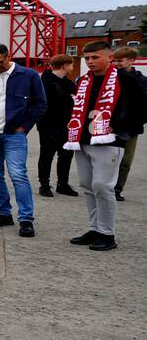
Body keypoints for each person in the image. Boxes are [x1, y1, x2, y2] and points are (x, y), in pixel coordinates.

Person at [66, 41, 147, 250]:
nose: (90, 62)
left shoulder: (126, 79)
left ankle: (107, 234)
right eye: (87, 58)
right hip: (82, 139)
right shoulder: (83, 80)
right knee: (87, 186)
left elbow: (142, 108)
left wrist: (119, 126)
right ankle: (95, 229)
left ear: (109, 57)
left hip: (109, 140)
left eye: (95, 57)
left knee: (102, 186)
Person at [0, 43, 46, 237]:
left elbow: (40, 104)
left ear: (8, 56)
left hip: (14, 133)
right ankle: (3, 213)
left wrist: (25, 127)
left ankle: (26, 218)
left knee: (18, 174)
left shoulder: (28, 76)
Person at [37, 54, 78, 199]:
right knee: (47, 156)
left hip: (67, 126)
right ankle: (44, 185)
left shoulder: (69, 83)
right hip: (48, 125)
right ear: (64, 65)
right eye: (71, 65)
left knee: (66, 155)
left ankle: (63, 184)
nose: (72, 68)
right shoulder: (45, 82)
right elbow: (41, 105)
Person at [111, 47, 147, 202]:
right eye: (115, 60)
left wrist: (136, 121)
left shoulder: (142, 80)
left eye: (120, 60)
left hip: (131, 126)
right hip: (111, 125)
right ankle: (106, 186)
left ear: (132, 60)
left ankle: (117, 188)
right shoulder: (111, 78)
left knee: (126, 160)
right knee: (109, 158)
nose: (117, 63)